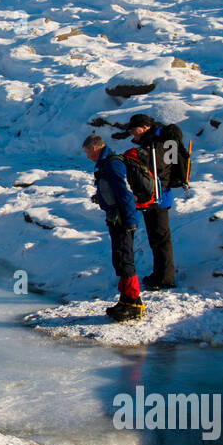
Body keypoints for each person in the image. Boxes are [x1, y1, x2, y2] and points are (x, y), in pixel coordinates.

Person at [82, 134, 144, 321]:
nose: (87, 156)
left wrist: (130, 221)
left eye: (87, 152)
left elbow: (124, 194)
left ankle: (134, 302)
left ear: (94, 147)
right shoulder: (105, 164)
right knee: (119, 259)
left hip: (122, 221)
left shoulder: (113, 164)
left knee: (125, 259)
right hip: (115, 218)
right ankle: (125, 300)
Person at [125, 113, 185, 290]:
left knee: (160, 238)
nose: (131, 133)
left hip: (157, 196)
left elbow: (159, 169)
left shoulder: (155, 142)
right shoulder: (159, 139)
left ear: (143, 127)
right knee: (158, 238)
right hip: (158, 195)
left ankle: (165, 278)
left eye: (133, 129)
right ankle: (160, 275)